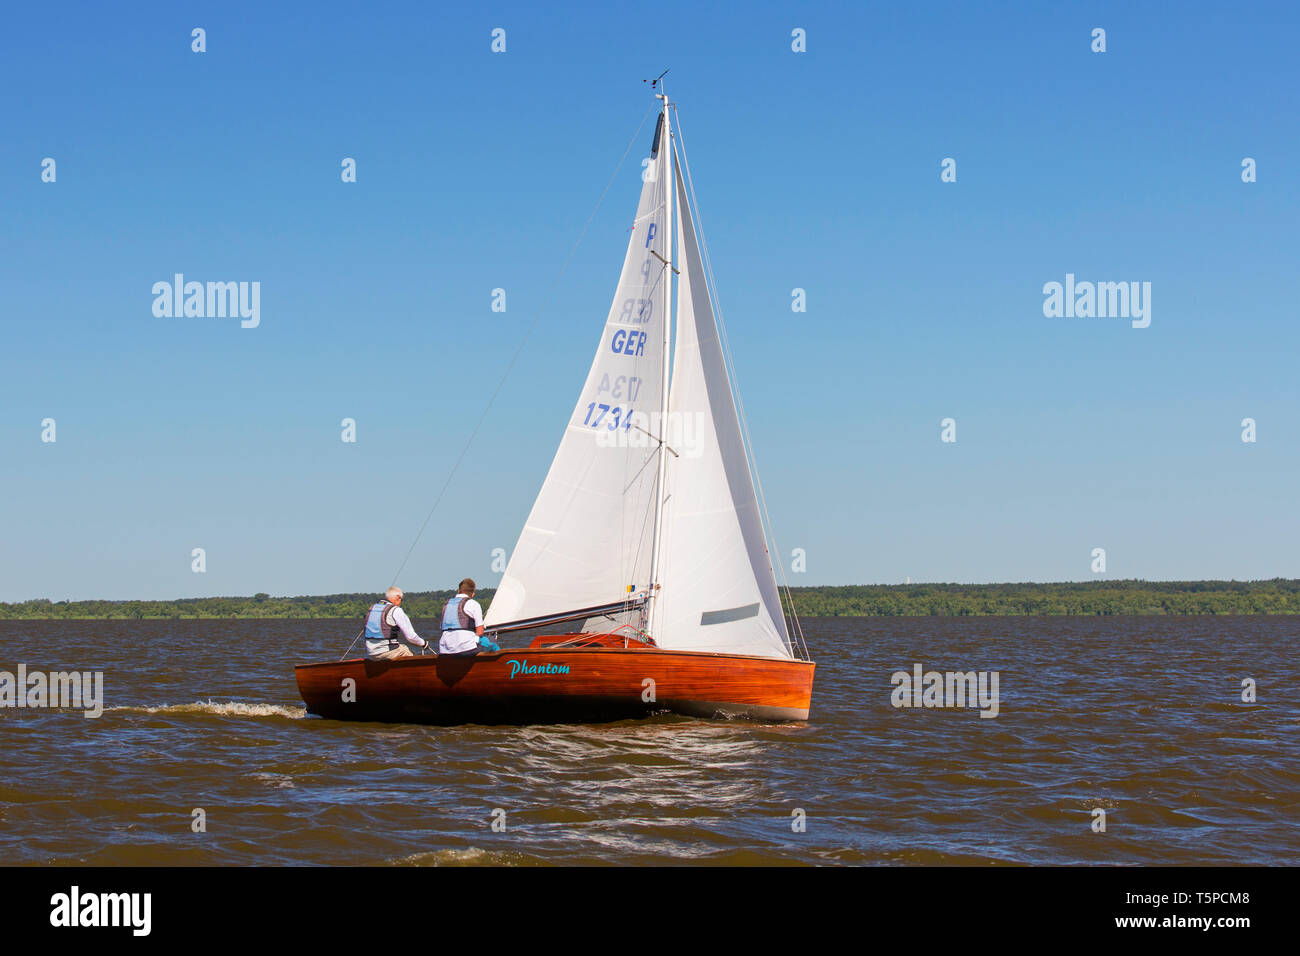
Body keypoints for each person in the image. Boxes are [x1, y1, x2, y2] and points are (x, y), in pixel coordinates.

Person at [362, 587, 429, 659]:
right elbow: (410, 637)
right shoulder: (396, 610)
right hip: (386, 651)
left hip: (371, 652)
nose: (400, 602)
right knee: (405, 650)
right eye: (401, 599)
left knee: (400, 648)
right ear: (398, 597)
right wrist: (423, 643)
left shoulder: (372, 608)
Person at [438, 578, 499, 656]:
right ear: (473, 594)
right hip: (466, 649)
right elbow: (480, 632)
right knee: (491, 641)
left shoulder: (446, 605)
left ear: (458, 591)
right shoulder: (473, 604)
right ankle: (502, 665)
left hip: (444, 650)